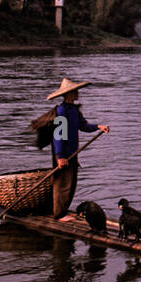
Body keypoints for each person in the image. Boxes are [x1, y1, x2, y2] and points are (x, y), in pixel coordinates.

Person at [46, 77, 109, 219]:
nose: (77, 94)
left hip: (73, 152)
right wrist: (60, 156)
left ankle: (63, 211)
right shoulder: (61, 111)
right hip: (63, 154)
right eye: (75, 91)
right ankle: (58, 214)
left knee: (71, 183)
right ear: (69, 94)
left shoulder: (74, 110)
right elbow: (58, 135)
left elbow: (84, 126)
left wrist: (98, 127)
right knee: (62, 183)